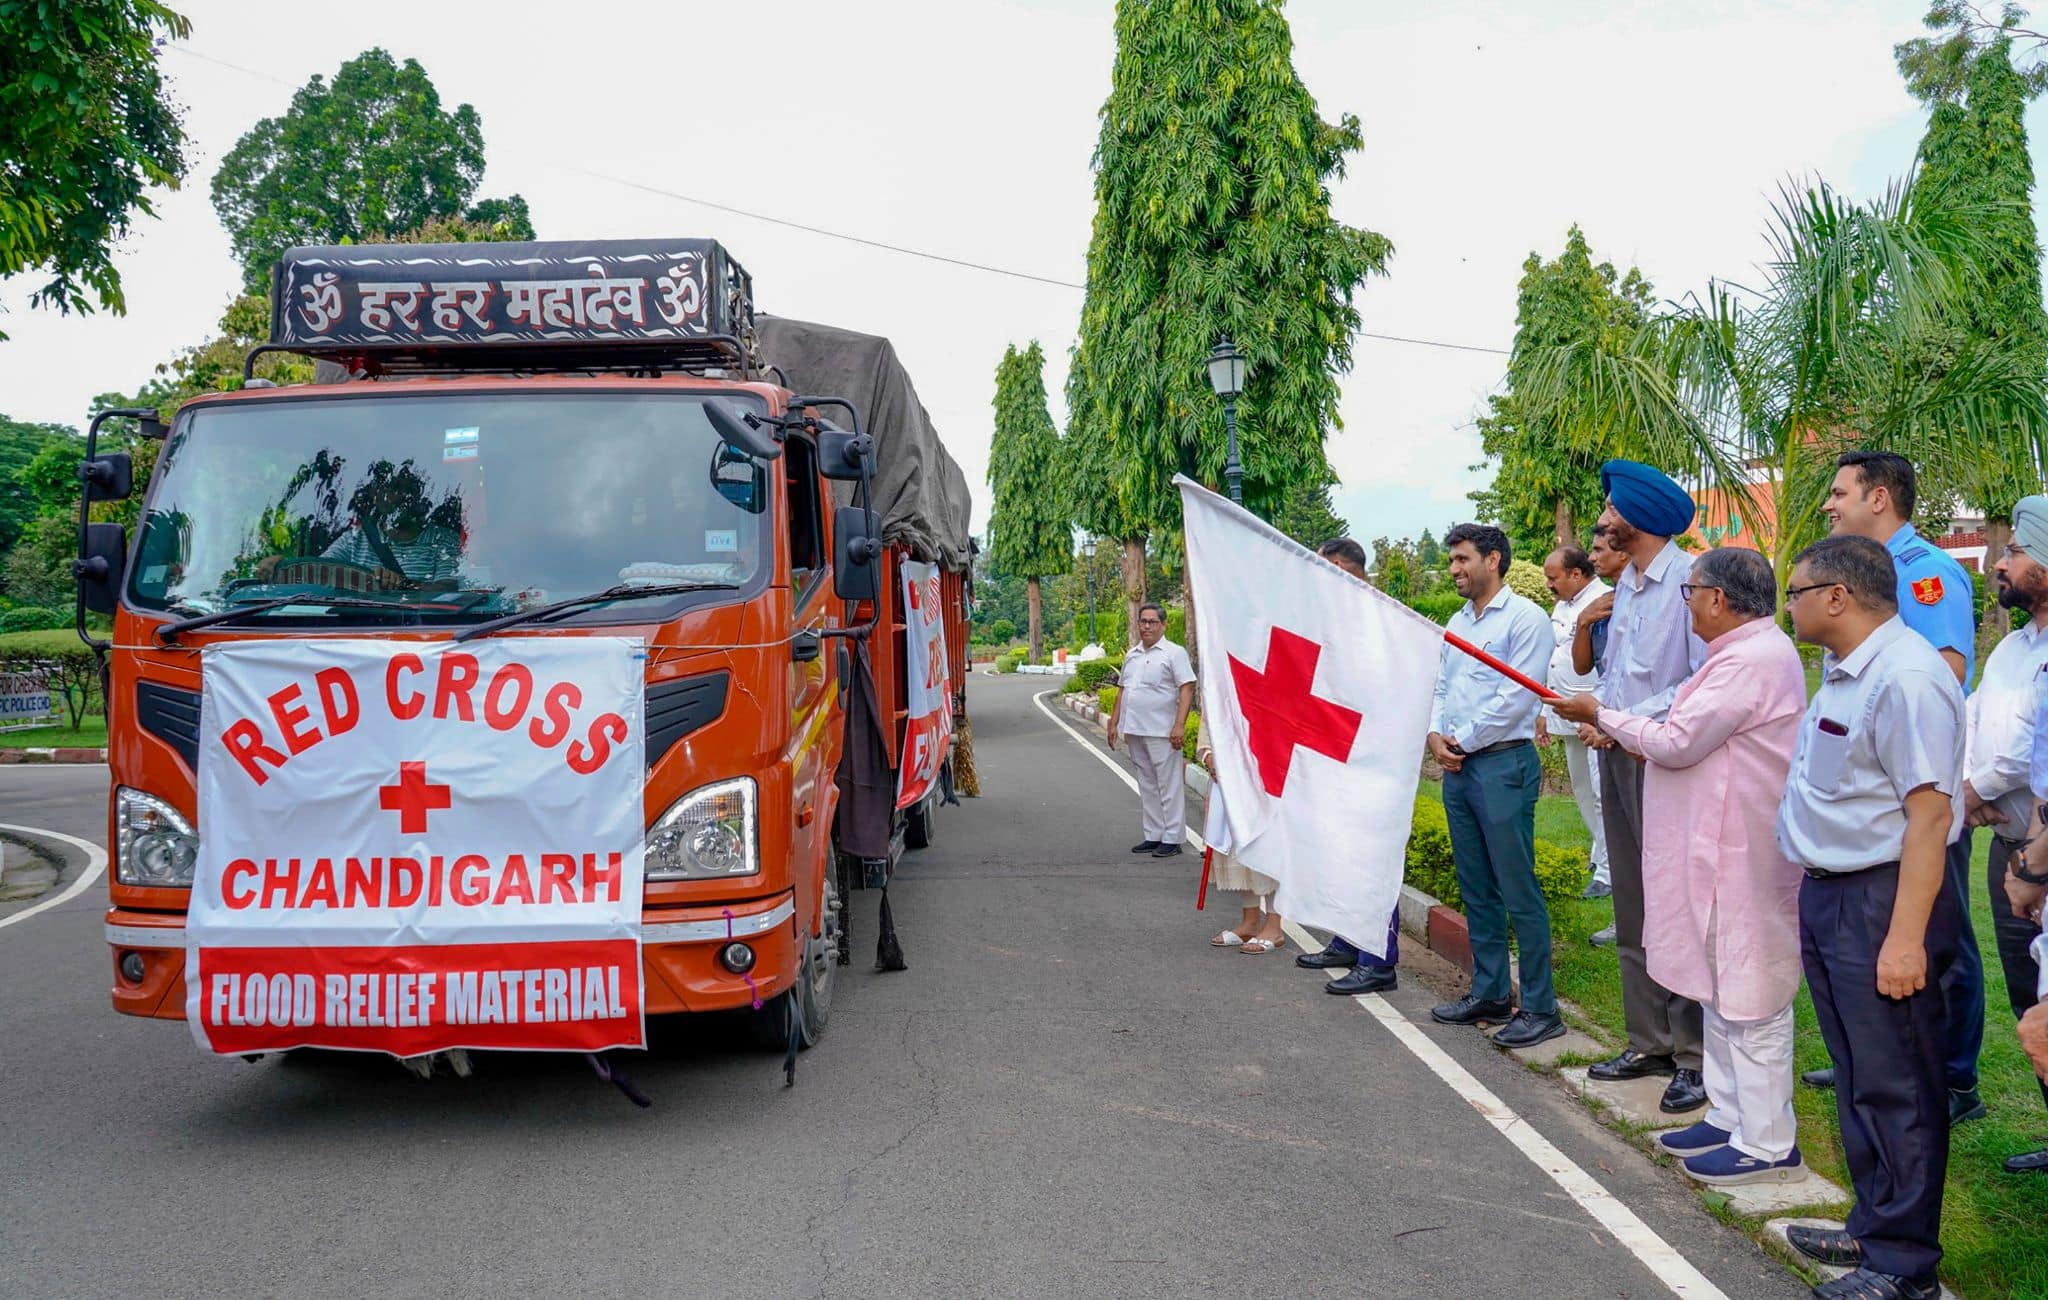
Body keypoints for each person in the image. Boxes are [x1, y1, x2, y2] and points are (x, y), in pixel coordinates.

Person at [1555, 548, 1807, 1186]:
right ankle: (1728, 1117)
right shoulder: (1735, 655)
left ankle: (1770, 1142)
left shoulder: (1750, 659)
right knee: (1721, 992)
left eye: (1690, 591)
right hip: (1715, 848)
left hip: (1740, 853)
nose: (1685, 601)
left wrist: (1601, 714)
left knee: (1751, 997)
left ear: (1719, 599)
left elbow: (1676, 739)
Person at [1776, 535, 1964, 1300]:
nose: (1786, 605)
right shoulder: (1850, 671)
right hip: (1834, 893)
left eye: (1795, 591)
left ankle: (1906, 1265)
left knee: (1900, 1084)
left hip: (1885, 899)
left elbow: (1929, 817)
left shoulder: (1907, 679)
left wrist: (1905, 939)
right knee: (1860, 1074)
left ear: (1836, 597)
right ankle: (1874, 1223)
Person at [1806, 451, 1983, 1124]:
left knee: (1943, 934)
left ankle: (1956, 1077)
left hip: (1915, 784)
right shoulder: (1848, 578)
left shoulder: (1928, 575)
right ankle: (1870, 1052)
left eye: (1839, 492)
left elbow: (1944, 671)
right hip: (1864, 788)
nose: (1830, 504)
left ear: (1878, 499)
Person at [1577, 459, 1708, 1115]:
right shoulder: (1627, 584)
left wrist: (1618, 720)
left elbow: (1700, 682)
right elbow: (1620, 673)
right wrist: (1605, 716)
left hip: (1665, 759)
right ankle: (1648, 1041)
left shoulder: (1690, 583)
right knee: (1632, 903)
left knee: (1676, 907)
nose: (1602, 519)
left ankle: (1694, 1056)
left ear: (1638, 517)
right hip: (1618, 751)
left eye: (1610, 508)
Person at [1425, 524, 1561, 1050]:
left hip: (1502, 765)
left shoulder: (1526, 621)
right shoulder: (1457, 622)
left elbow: (1518, 699)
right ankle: (1490, 992)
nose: (1456, 569)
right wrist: (1435, 735)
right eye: (1452, 561)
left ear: (1494, 559)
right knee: (1476, 885)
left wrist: (1459, 739)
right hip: (1459, 768)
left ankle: (1542, 1007)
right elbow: (1440, 686)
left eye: (1462, 560)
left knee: (1516, 886)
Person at [1289, 538, 1404, 990]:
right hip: (1338, 751)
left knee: (1375, 858)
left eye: (1324, 569)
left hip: (1375, 755)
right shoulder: (1337, 619)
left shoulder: (1385, 617)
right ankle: (1347, 941)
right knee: (1344, 854)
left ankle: (1378, 961)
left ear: (1341, 567)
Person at [1981, 495, 2048, 1174]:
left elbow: (2023, 752)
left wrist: (1972, 791)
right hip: (2012, 850)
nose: (2003, 562)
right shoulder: (2011, 648)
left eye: (2017, 551)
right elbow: (1985, 731)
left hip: (2039, 854)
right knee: (2030, 1006)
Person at [1537, 545, 1611, 900]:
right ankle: (1600, 856)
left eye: (1554, 578)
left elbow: (1608, 662)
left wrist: (1601, 713)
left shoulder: (1604, 601)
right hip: (1564, 708)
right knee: (1582, 789)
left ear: (1576, 574)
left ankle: (1611, 874)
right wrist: (1543, 710)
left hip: (1594, 711)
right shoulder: (1563, 605)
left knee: (1602, 792)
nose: (1549, 584)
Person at [1107, 603, 1196, 861]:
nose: (1146, 626)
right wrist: (1114, 722)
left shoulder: (1173, 653)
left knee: (1168, 784)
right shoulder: (1132, 655)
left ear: (1163, 625)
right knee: (1147, 783)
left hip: (1162, 730)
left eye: (1152, 622)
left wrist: (1179, 724)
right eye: (1143, 621)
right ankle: (1154, 834)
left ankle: (1173, 837)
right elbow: (1123, 689)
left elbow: (1187, 688)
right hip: (1134, 728)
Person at [1195, 713, 1287, 955]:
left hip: (1269, 775)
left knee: (1268, 847)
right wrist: (1209, 756)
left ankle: (1274, 925)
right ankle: (1250, 921)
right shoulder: (1223, 675)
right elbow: (1211, 717)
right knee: (1239, 849)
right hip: (1230, 780)